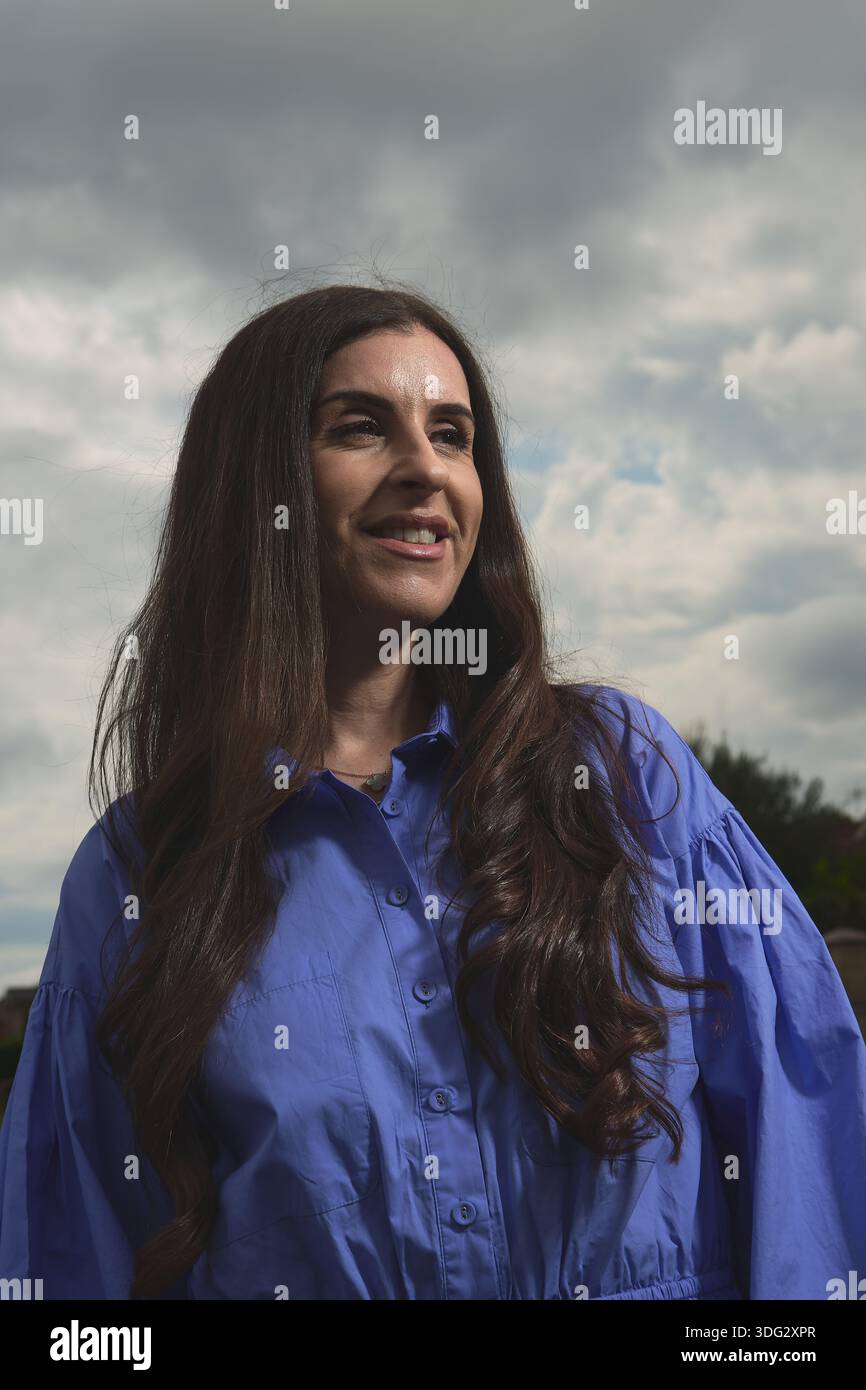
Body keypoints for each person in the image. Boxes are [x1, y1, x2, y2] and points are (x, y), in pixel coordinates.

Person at [1, 285, 864, 1301]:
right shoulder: (139, 870)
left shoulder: (621, 775)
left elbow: (800, 1142)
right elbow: (78, 1264)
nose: (423, 467)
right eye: (360, 427)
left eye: (450, 434)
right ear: (257, 485)